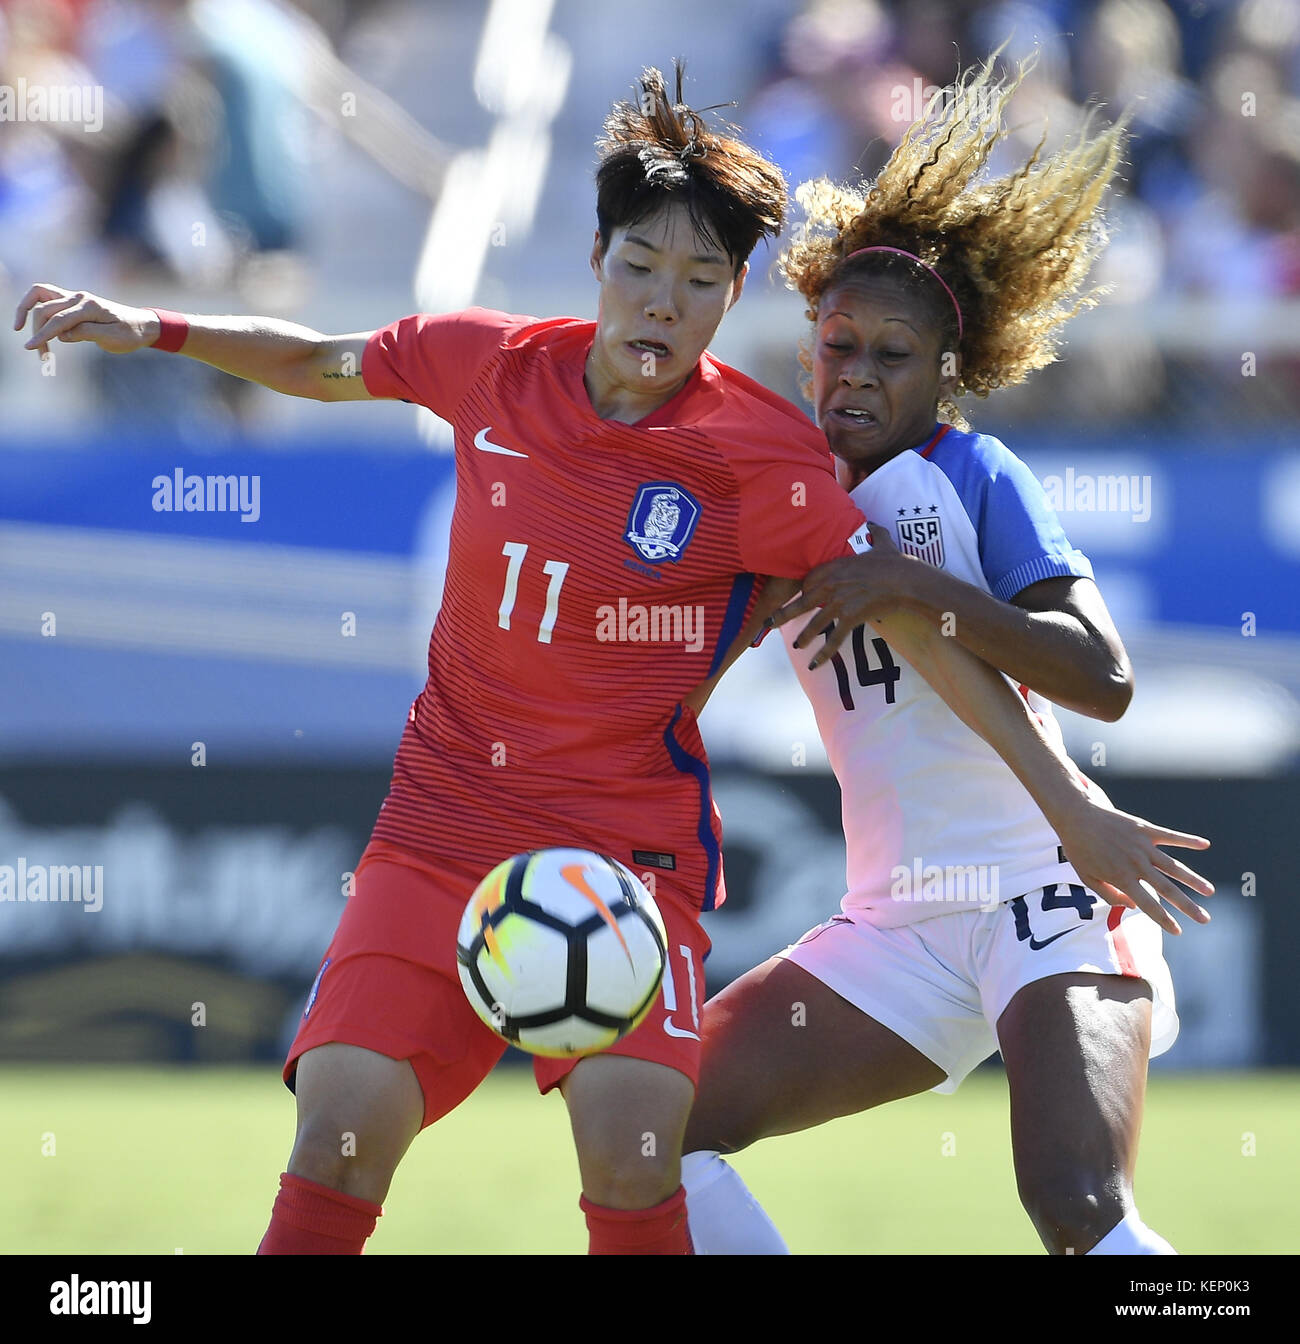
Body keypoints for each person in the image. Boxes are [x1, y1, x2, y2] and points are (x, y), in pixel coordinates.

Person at [15, 63, 1209, 1257]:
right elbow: (325, 362)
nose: (659, 303)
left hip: (817, 865)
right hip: (619, 857)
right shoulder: (537, 381)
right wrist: (154, 329)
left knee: (993, 1201)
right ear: (598, 261)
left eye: (697, 282)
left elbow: (973, 646)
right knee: (446, 1134)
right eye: (639, 267)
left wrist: (1068, 805)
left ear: (731, 296)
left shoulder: (832, 468)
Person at [679, 57, 1207, 1257]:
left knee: (1077, 1211)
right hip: (897, 924)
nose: (854, 375)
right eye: (836, 345)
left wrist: (913, 584)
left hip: (1047, 890)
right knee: (652, 1128)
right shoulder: (781, 494)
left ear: (947, 374)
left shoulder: (975, 476)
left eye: (890, 356)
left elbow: (1101, 676)